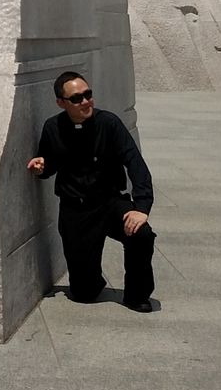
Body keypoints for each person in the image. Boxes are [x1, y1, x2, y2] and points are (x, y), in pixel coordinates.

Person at [27, 71, 156, 312]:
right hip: (75, 211)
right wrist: (40, 167)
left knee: (142, 235)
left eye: (88, 94)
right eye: (76, 98)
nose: (85, 101)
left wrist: (141, 208)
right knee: (84, 293)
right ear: (61, 103)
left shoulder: (109, 123)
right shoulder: (52, 127)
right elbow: (49, 165)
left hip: (110, 203)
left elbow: (136, 164)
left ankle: (137, 295)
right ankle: (90, 281)